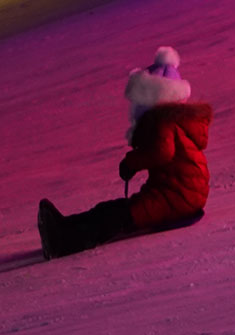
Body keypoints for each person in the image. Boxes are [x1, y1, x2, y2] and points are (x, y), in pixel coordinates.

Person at [37, 47, 213, 259]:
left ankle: (65, 241)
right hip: (182, 194)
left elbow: (162, 153)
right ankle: (64, 227)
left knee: (121, 215)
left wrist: (131, 163)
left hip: (179, 197)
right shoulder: (174, 121)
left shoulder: (162, 122)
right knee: (116, 209)